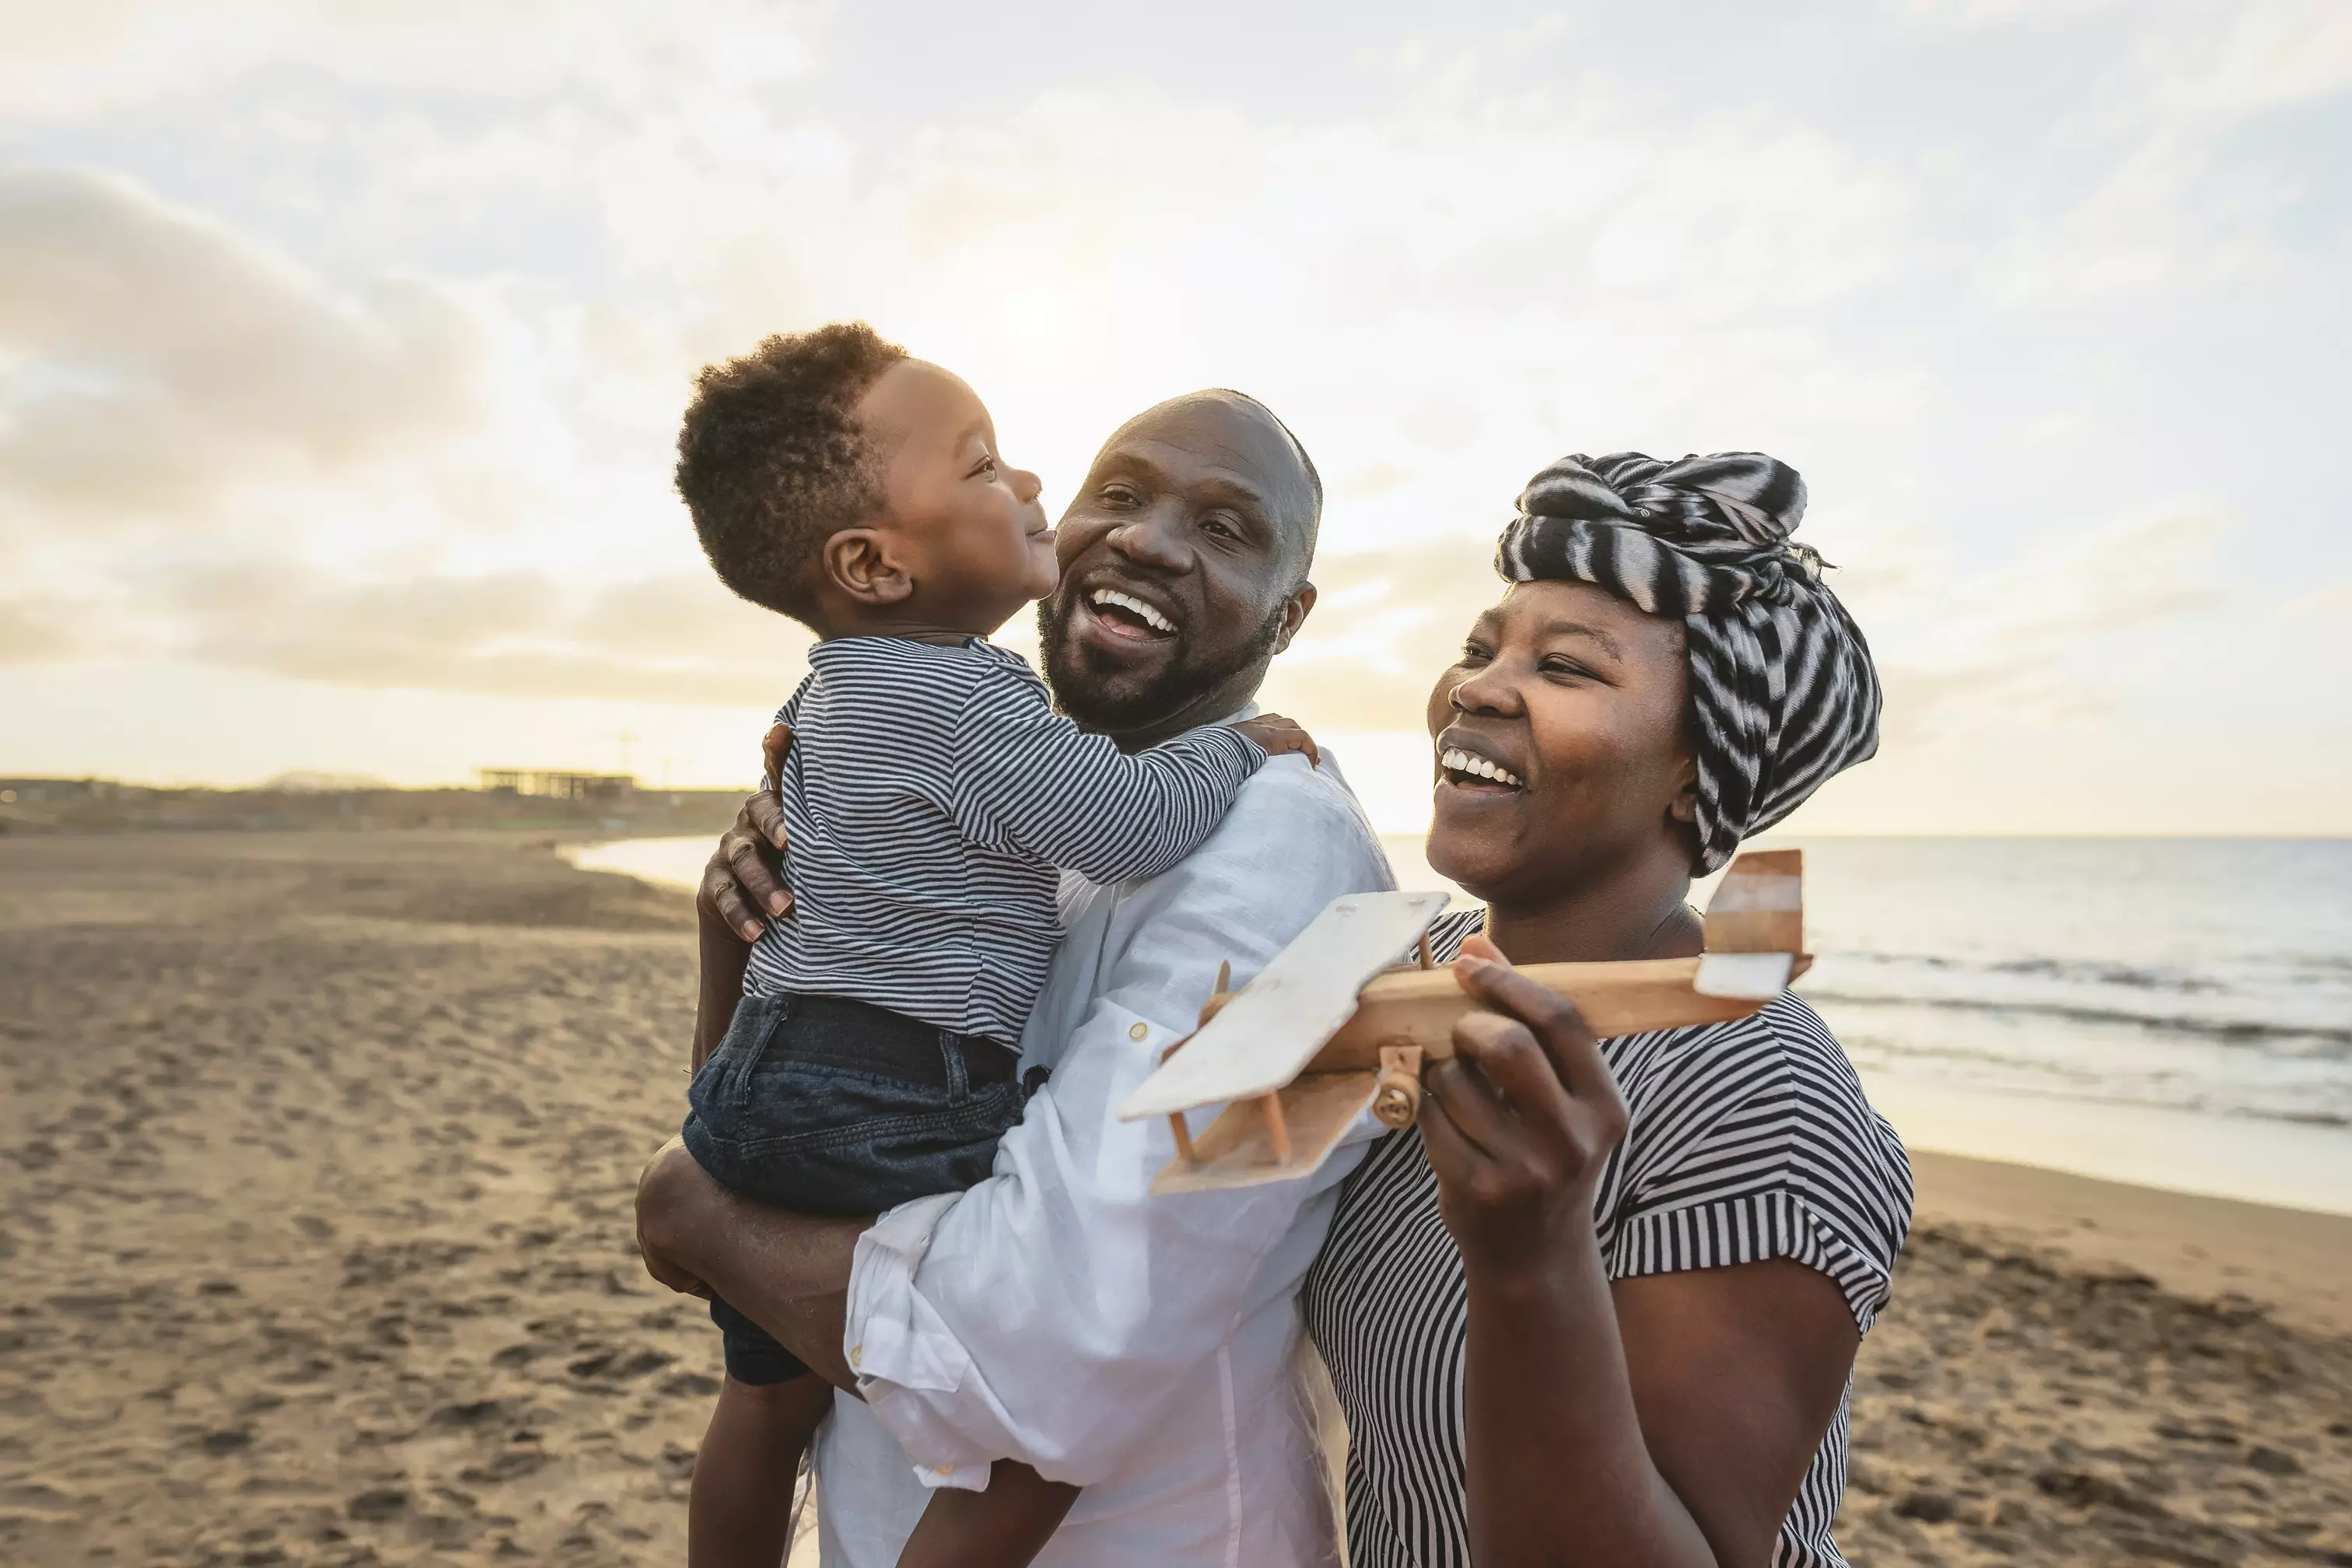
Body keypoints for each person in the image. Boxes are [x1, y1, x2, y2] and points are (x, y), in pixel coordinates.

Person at [644, 387, 1393, 1566]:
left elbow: (1051, 1347)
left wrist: (691, 1206)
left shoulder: (1292, 856)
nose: (1150, 540)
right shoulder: (997, 819)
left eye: (1226, 529)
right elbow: (776, 1168)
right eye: (1125, 494)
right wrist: (734, 935)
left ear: (1287, 618)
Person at [1301, 450, 1910, 1567]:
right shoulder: (1420, 978)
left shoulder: (1760, 1098)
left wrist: (1533, 1261)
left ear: (1697, 769)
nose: (1477, 687)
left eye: (1568, 669)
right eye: (1482, 649)